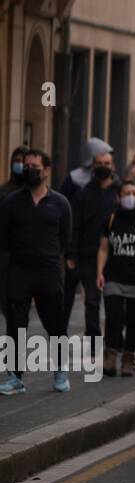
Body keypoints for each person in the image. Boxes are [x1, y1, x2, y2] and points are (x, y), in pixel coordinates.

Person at [0, 150, 73, 395]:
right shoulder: (11, 201)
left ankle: (60, 371)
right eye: (26, 165)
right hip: (19, 271)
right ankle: (15, 377)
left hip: (48, 272)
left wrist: (50, 257)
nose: (29, 169)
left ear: (47, 170)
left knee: (55, 323)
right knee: (16, 324)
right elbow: (4, 238)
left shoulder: (60, 203)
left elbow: (64, 238)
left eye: (35, 165)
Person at [68, 145, 118, 355]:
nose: (103, 167)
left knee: (115, 303)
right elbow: (75, 225)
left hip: (117, 257)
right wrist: (71, 253)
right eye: (99, 164)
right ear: (92, 166)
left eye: (106, 164)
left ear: (113, 166)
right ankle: (94, 343)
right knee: (91, 301)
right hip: (88, 255)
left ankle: (115, 344)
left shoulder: (120, 192)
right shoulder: (83, 194)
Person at [95, 179, 135, 378]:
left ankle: (127, 358)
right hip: (113, 276)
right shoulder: (110, 219)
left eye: (134, 193)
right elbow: (103, 248)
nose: (131, 197)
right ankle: (110, 355)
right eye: (127, 193)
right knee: (114, 316)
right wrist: (99, 272)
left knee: (134, 320)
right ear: (118, 197)